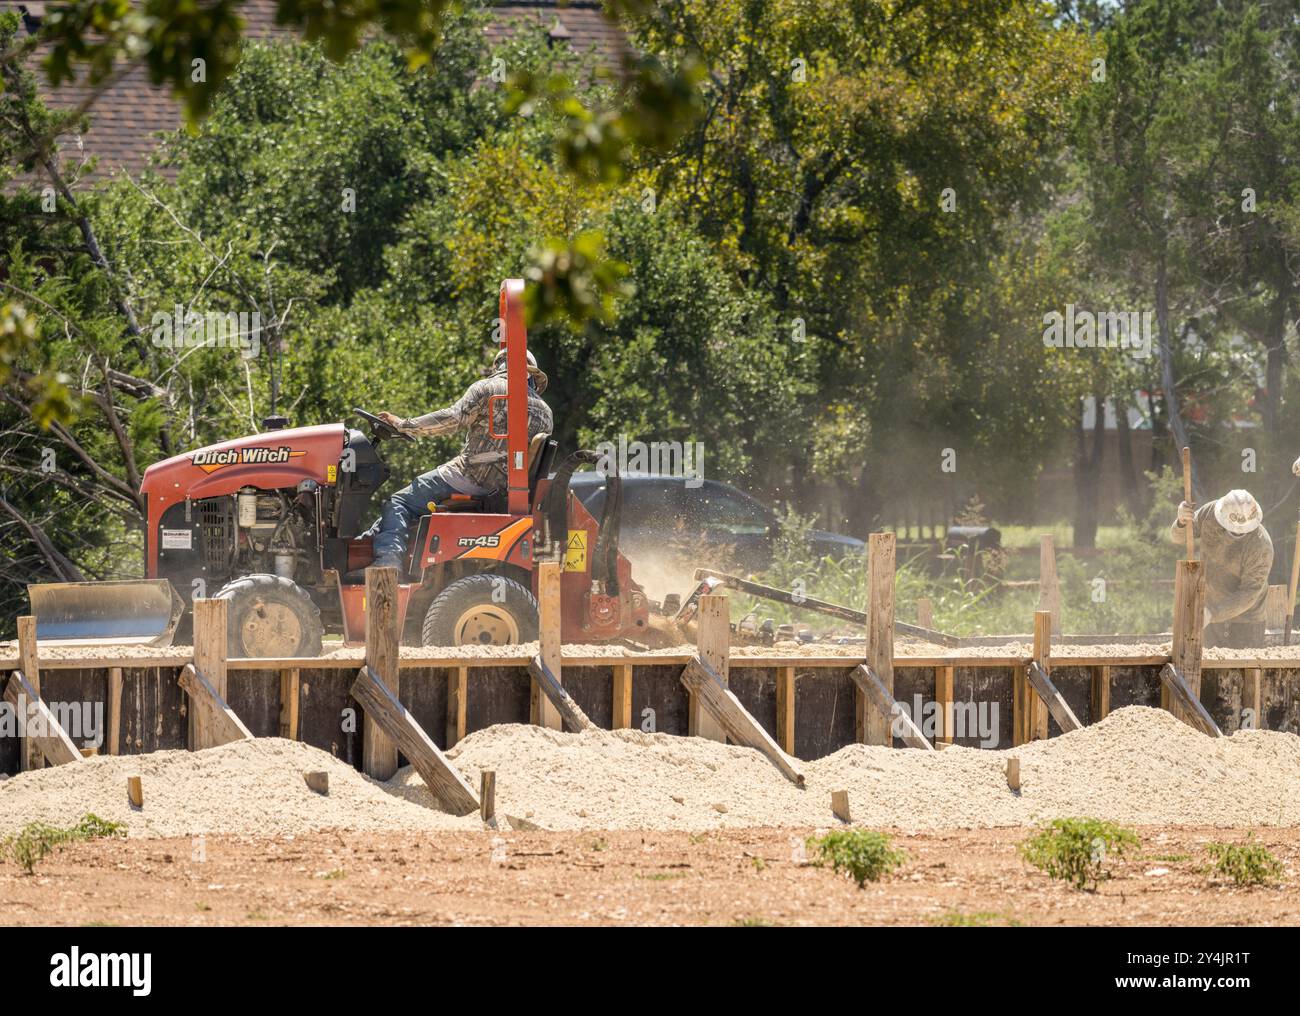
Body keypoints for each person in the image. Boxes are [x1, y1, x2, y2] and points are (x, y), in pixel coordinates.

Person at [365, 349, 553, 569]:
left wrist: (403, 424)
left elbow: (452, 419)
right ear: (532, 374)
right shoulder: (546, 412)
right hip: (505, 488)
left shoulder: (486, 389)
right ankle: (366, 542)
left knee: (399, 502)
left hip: (470, 477)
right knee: (407, 504)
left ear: (499, 366)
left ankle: (386, 565)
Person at [1170, 488, 1272, 648]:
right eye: (1232, 529)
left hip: (1246, 620)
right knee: (1209, 669)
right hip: (1209, 608)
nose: (1237, 533)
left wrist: (1212, 613)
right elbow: (1179, 538)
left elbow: (1250, 592)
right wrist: (1182, 521)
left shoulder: (1260, 546)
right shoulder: (1210, 513)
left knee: (1242, 669)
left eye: (1242, 531)